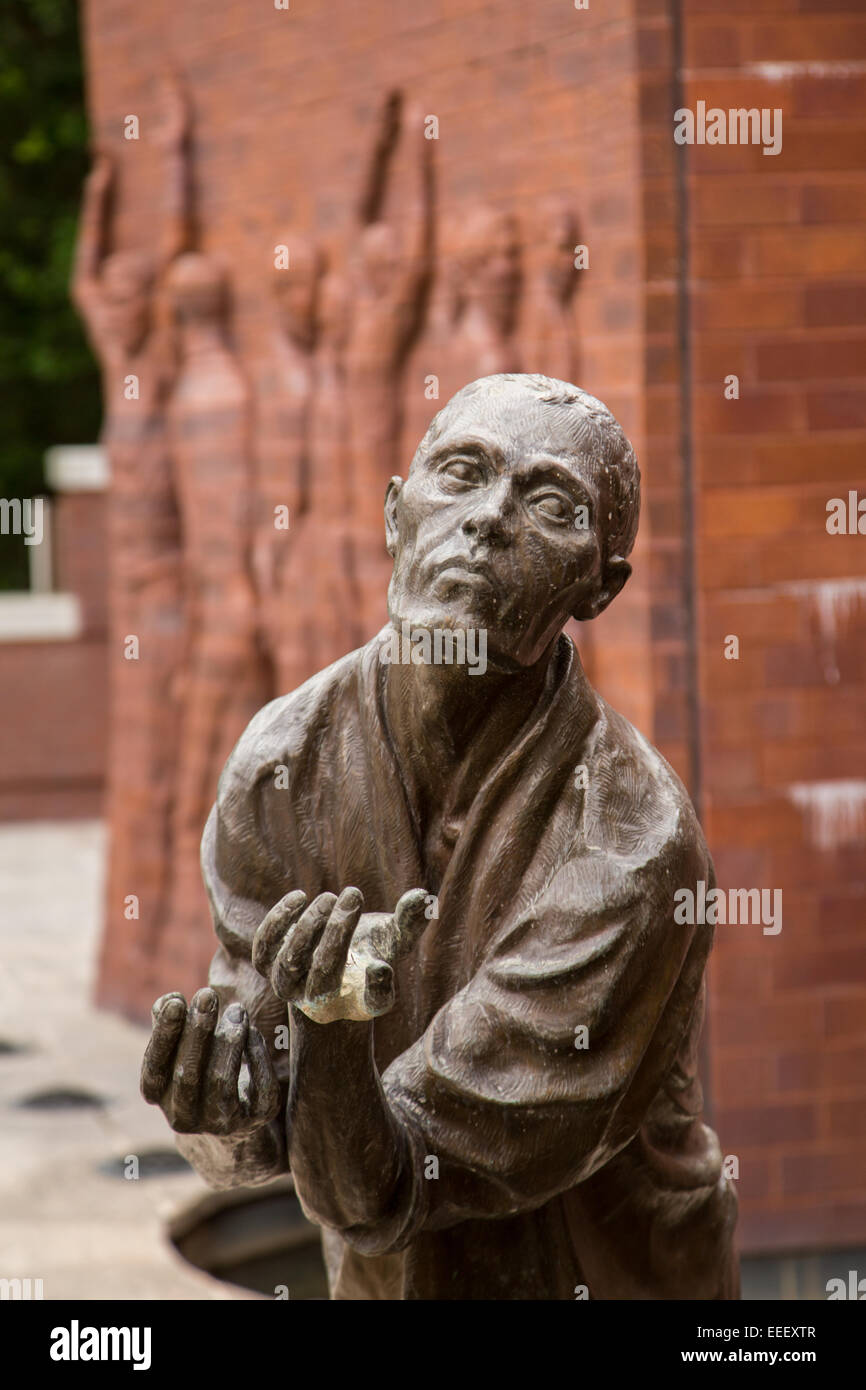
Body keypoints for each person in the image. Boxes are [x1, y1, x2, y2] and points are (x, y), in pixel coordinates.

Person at [142, 373, 738, 1300]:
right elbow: (266, 1127)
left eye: (549, 504)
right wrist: (221, 1113)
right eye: (461, 474)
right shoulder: (284, 759)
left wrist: (332, 1032)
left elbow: (389, 1182)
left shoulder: (632, 843)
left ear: (600, 587)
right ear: (395, 515)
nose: (489, 520)